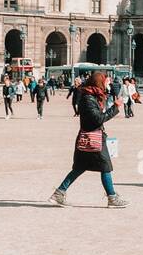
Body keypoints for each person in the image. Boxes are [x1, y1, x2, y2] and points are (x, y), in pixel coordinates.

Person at [49, 70, 128, 208]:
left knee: (79, 168)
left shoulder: (92, 96)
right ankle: (112, 198)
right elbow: (98, 119)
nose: (106, 84)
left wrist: (110, 92)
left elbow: (100, 106)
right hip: (93, 138)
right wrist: (115, 108)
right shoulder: (88, 99)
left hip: (88, 138)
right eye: (104, 82)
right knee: (105, 167)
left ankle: (59, 193)